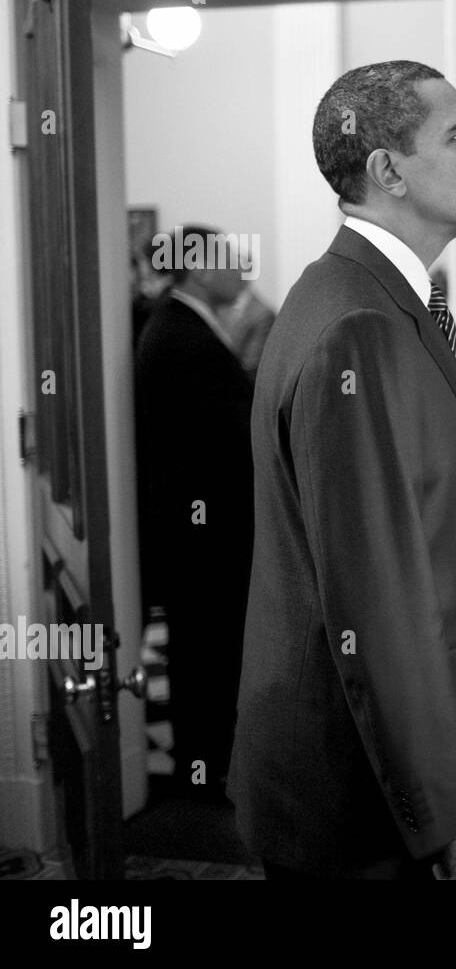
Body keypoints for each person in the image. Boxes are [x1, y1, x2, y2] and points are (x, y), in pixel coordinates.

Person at [229, 61, 456, 880]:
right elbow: (375, 602)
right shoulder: (356, 325)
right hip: (356, 800)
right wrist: (448, 814)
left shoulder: (359, 295)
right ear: (388, 170)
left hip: (350, 773)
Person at [135, 224, 253, 797]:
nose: (242, 269)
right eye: (231, 260)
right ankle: (203, 774)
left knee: (207, 650)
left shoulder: (183, 325)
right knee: (204, 653)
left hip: (201, 529)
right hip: (199, 534)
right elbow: (221, 441)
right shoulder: (180, 335)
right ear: (201, 268)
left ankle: (209, 764)